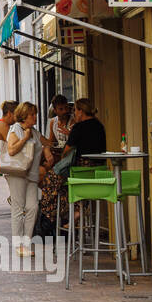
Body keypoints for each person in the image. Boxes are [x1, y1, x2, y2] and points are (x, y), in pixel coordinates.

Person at [38, 98, 107, 237]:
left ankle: (50, 219)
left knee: (50, 182)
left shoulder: (78, 127)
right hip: (97, 173)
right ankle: (76, 211)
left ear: (81, 111)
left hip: (79, 172)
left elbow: (66, 152)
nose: (74, 113)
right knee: (76, 189)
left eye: (75, 110)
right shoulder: (99, 126)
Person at [3, 102, 43, 256]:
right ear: (24, 116)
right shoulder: (16, 129)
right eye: (32, 114)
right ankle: (19, 245)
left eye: (35, 114)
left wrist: (47, 149)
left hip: (32, 175)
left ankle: (26, 242)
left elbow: (45, 143)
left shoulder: (34, 131)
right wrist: (25, 138)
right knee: (18, 208)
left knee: (33, 207)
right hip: (18, 174)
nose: (35, 117)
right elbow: (11, 150)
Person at [38, 94, 73, 179]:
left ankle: (49, 180)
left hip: (69, 152)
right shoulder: (53, 122)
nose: (65, 111)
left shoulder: (73, 121)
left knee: (49, 166)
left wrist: (70, 134)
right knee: (40, 154)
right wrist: (47, 150)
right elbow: (50, 142)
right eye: (61, 109)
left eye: (66, 108)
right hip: (58, 151)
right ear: (55, 110)